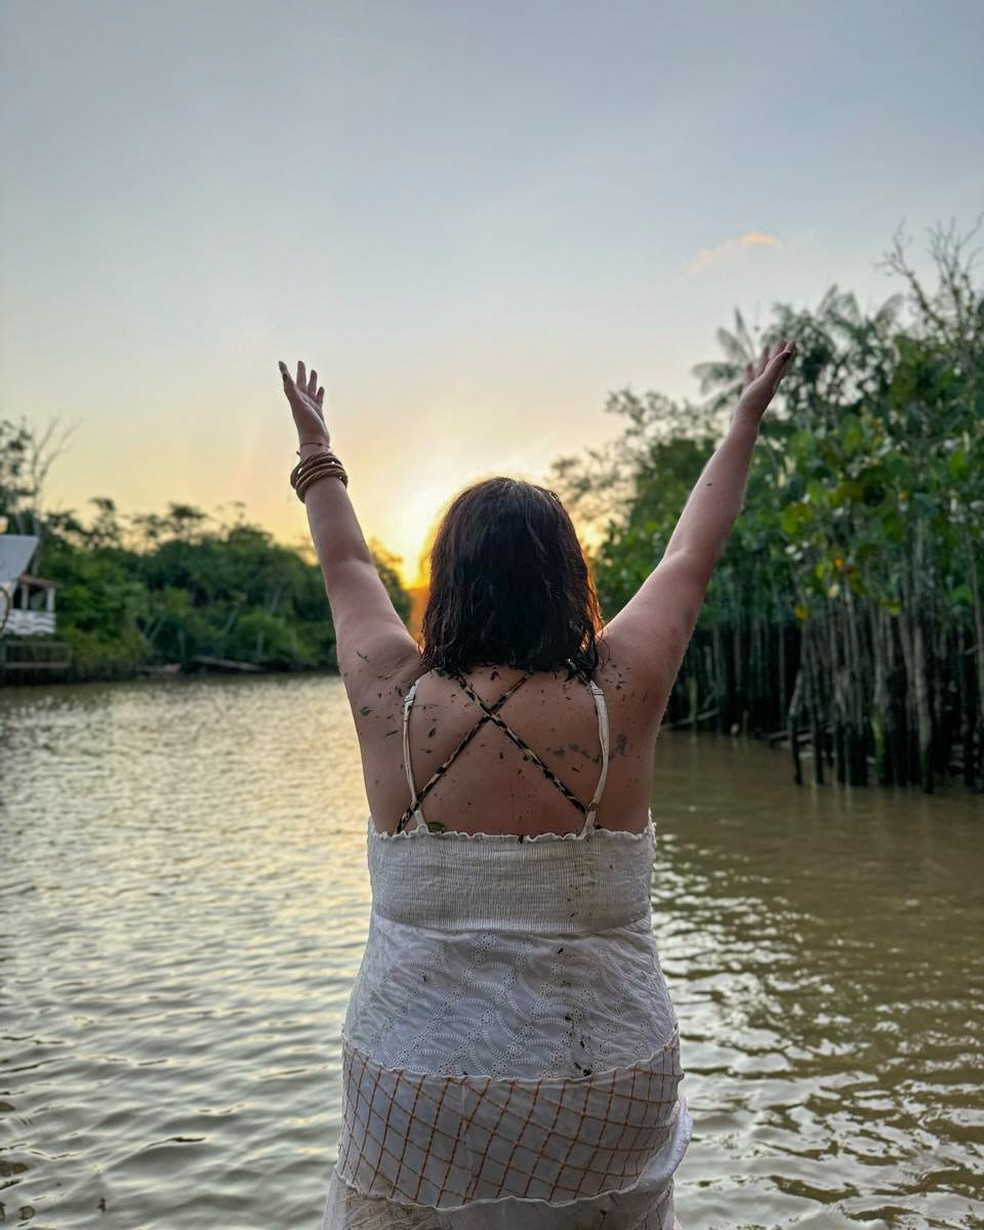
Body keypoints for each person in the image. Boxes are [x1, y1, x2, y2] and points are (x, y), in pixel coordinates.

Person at [278, 338, 795, 1230]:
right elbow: (688, 555)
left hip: (416, 1079)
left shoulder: (392, 700)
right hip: (605, 1079)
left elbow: (349, 568)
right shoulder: (617, 695)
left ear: (445, 582)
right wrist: (743, 419)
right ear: (570, 579)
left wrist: (317, 453)